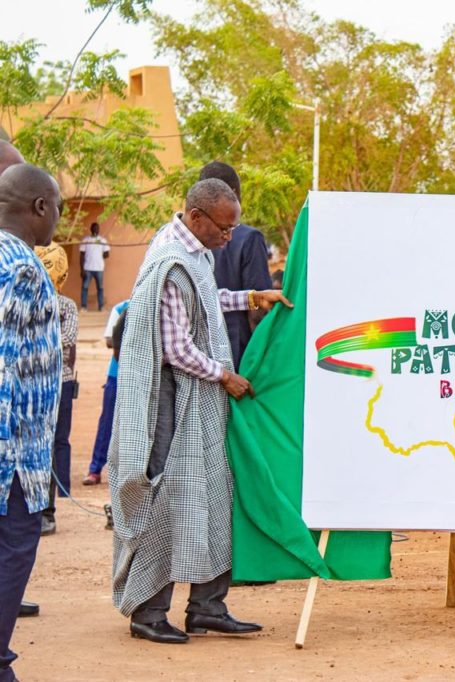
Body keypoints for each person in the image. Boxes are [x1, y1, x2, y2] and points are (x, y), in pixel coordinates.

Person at [108, 178, 291, 644]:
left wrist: (252, 297)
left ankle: (207, 606)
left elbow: (205, 307)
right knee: (166, 497)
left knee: (213, 491)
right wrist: (225, 376)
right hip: (170, 398)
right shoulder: (171, 262)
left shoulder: (194, 255)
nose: (229, 238)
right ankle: (148, 613)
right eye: (224, 229)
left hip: (196, 399)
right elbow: (176, 348)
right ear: (196, 217)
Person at [0, 162, 64, 682]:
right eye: (58, 208)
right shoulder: (22, 266)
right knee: (12, 552)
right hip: (13, 456)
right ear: (40, 207)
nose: (59, 220)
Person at [200, 162, 273, 369]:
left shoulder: (187, 239)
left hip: (200, 353)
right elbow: (260, 307)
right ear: (232, 194)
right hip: (237, 350)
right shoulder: (249, 238)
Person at [34, 243, 77, 536]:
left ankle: (47, 512)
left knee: (51, 444)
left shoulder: (66, 307)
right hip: (36, 384)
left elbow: (68, 338)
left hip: (58, 382)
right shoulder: (30, 302)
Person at [82, 299, 129, 486]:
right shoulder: (121, 308)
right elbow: (110, 340)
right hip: (117, 375)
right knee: (107, 423)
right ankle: (95, 470)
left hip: (144, 376)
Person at [79, 221, 109, 311]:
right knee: (85, 287)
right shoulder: (86, 240)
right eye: (94, 228)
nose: (96, 229)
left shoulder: (103, 241)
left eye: (97, 228)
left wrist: (102, 254)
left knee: (100, 287)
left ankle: (101, 307)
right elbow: (81, 255)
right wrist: (82, 270)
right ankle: (84, 307)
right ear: (91, 229)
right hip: (87, 268)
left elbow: (107, 254)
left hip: (99, 268)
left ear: (99, 229)